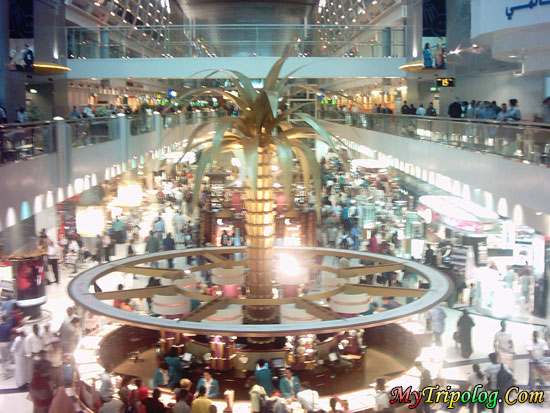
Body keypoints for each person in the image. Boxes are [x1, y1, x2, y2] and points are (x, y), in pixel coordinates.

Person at [0, 314, 13, 378]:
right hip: (7, 343)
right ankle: (7, 372)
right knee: (8, 357)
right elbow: (11, 335)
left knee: (3, 358)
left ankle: (5, 371)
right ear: (6, 319)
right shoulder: (8, 326)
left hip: (1, 343)